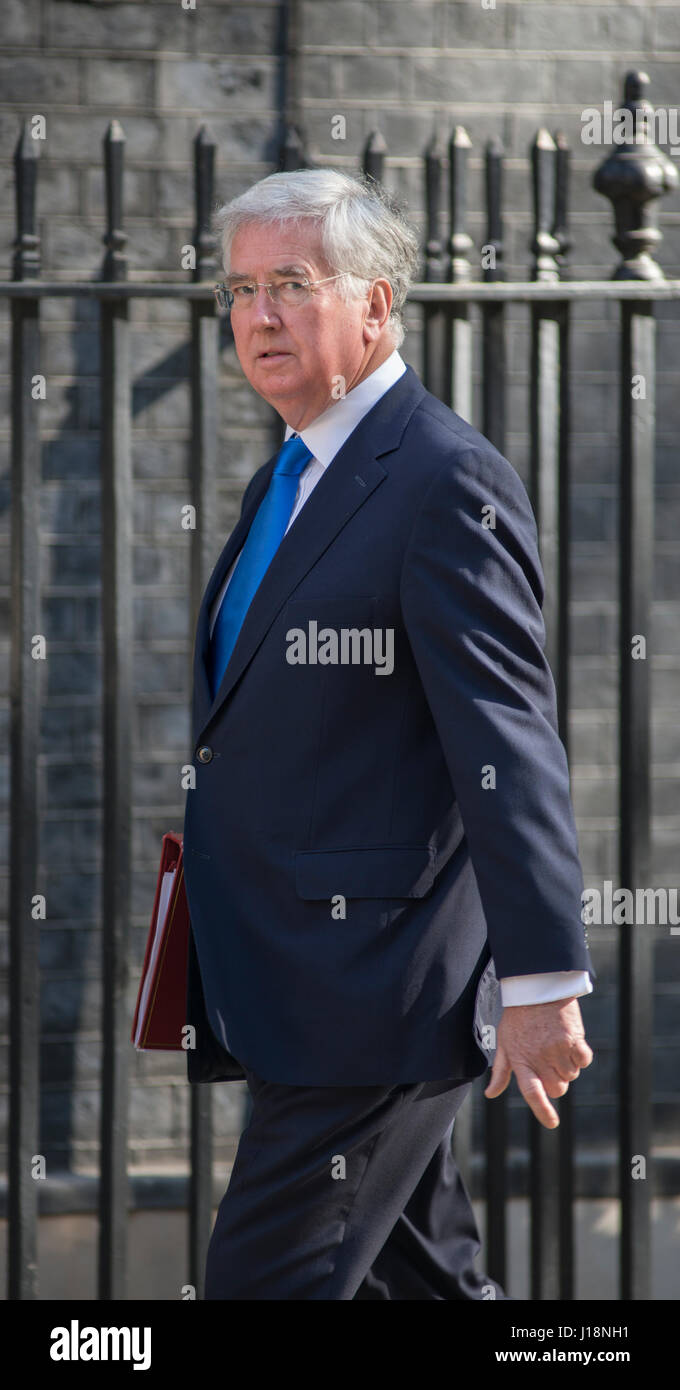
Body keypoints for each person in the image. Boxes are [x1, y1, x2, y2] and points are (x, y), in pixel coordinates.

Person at [181, 167, 595, 1300]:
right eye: (241, 290)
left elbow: (505, 739)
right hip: (298, 980)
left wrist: (542, 976)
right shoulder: (293, 476)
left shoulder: (441, 478)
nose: (259, 315)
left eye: (291, 283)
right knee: (419, 1284)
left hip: (370, 997)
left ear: (374, 303)